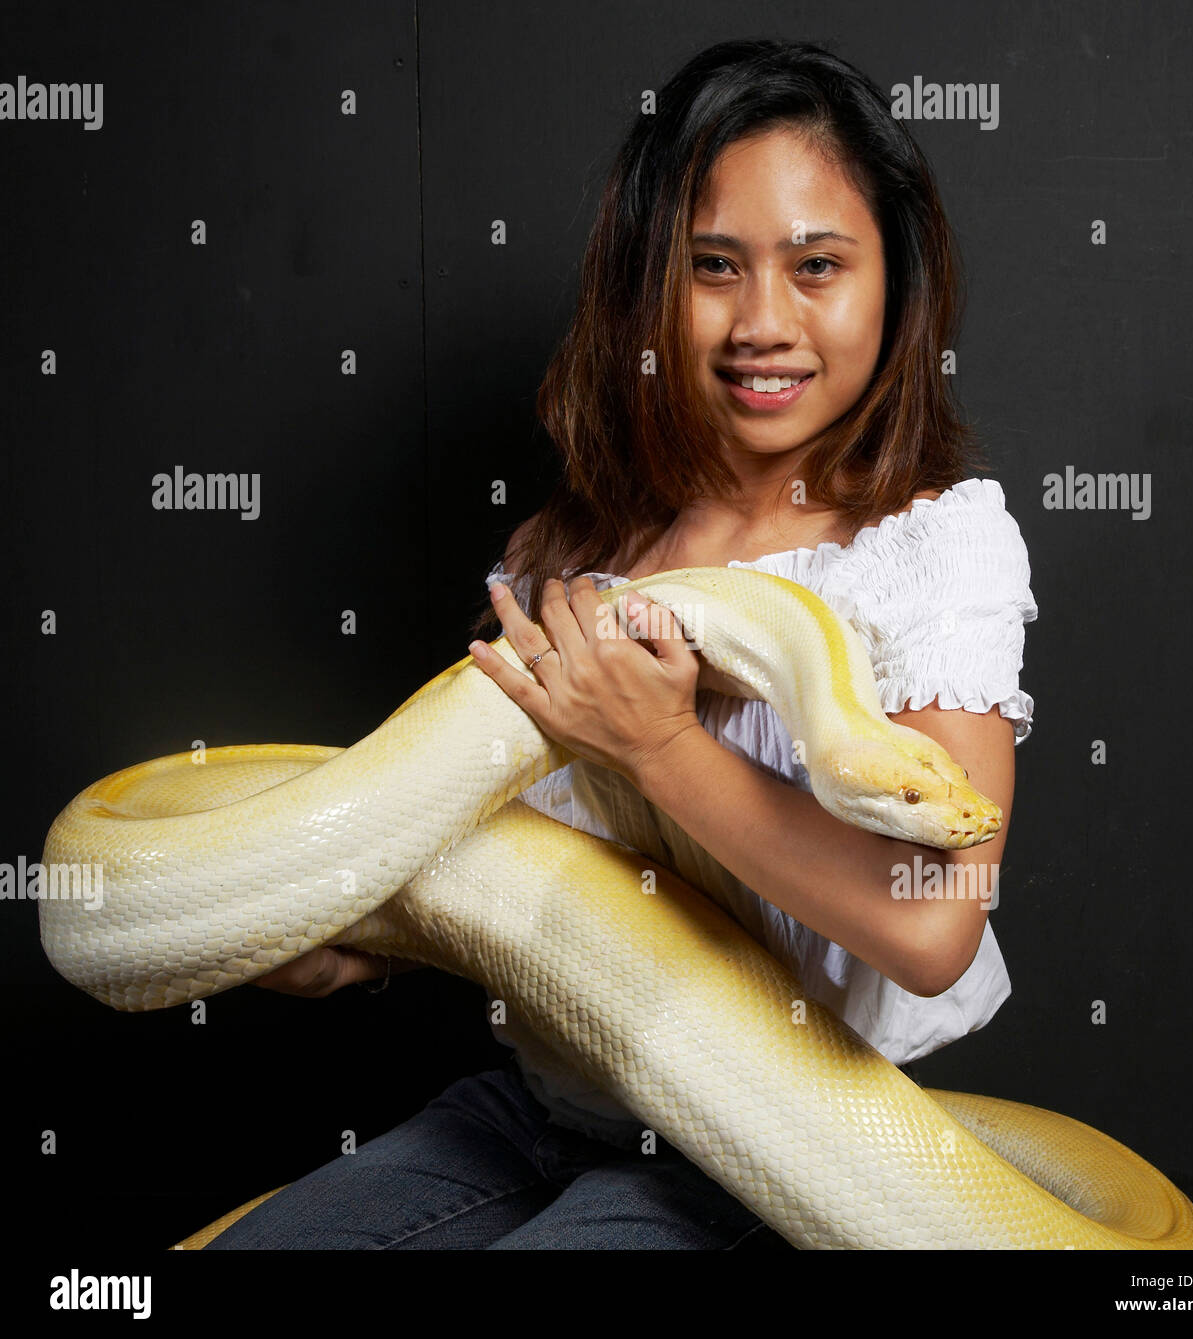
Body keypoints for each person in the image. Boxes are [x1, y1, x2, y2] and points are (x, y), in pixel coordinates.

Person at [207, 37, 1037, 1250]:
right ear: (647, 284)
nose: (764, 322)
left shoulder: (927, 550)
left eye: (818, 266)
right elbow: (528, 878)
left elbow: (930, 928)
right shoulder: (566, 551)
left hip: (765, 1134)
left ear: (893, 284)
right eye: (713, 267)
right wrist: (367, 946)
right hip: (534, 1108)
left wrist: (661, 746)